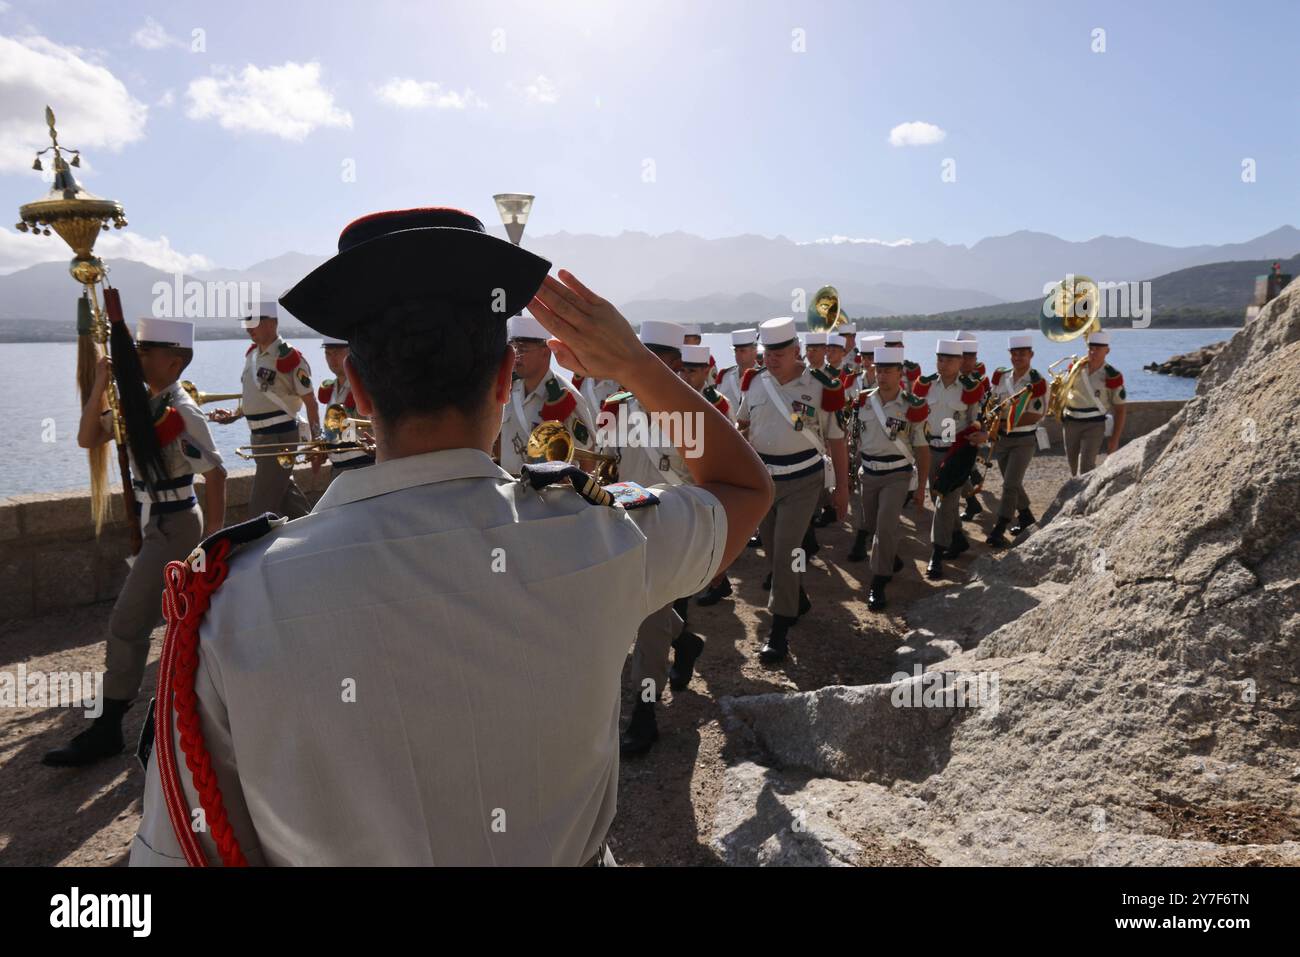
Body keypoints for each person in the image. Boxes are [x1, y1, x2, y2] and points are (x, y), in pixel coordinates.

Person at [130, 206, 772, 867]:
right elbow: (744, 487)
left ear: (355, 389)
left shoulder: (229, 607)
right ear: (501, 379)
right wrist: (633, 363)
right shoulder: (600, 540)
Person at [44, 318, 227, 767]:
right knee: (176, 623)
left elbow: (216, 473)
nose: (138, 359)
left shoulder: (181, 411)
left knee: (129, 621)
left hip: (175, 524)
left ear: (175, 360)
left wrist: (213, 544)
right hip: (155, 522)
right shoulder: (142, 406)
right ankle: (174, 715)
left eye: (146, 352)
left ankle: (108, 729)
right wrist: (102, 383)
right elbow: (88, 436)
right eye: (137, 351)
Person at [604, 322, 704, 755]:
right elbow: (607, 465)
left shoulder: (693, 412)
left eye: (655, 357)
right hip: (622, 523)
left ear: (676, 365)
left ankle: (644, 713)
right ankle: (684, 640)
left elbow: (705, 481)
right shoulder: (614, 405)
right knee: (639, 610)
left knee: (646, 624)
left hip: (669, 530)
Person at [736, 317, 848, 664]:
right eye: (767, 352)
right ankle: (796, 598)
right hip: (765, 480)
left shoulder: (820, 385)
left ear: (796, 350)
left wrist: (842, 489)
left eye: (780, 352)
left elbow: (837, 438)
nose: (772, 358)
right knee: (773, 550)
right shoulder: (754, 382)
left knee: (786, 552)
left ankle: (780, 628)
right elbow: (742, 426)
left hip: (804, 479)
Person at [209, 302, 321, 519]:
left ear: (272, 323)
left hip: (279, 437)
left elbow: (311, 402)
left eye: (254, 323)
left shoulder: (289, 357)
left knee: (261, 509)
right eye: (247, 323)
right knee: (285, 496)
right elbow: (259, 396)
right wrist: (235, 414)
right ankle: (312, 528)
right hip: (259, 436)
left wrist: (316, 442)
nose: (248, 328)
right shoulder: (251, 355)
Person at [852, 347, 930, 610]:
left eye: (888, 371)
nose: (882, 375)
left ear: (900, 373)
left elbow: (921, 447)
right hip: (869, 473)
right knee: (873, 526)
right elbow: (855, 437)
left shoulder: (912, 406)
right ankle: (892, 558)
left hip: (897, 474)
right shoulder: (862, 401)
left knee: (885, 526)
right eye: (878, 370)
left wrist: (921, 488)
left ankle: (879, 581)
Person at [915, 340, 987, 579]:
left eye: (948, 359)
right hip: (930, 449)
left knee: (943, 501)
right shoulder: (925, 385)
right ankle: (957, 539)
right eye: (939, 358)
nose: (942, 364)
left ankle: (936, 554)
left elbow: (977, 420)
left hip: (956, 452)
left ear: (960, 361)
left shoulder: (969, 388)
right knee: (939, 496)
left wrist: (982, 434)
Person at [496, 311, 595, 475]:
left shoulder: (564, 395)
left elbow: (587, 455)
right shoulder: (510, 389)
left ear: (545, 352)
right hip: (512, 486)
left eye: (523, 349)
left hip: (549, 494)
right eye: (514, 349)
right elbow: (500, 440)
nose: (516, 357)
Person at [987, 333, 1048, 548]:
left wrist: (1005, 423)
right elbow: (992, 402)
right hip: (1002, 440)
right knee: (1013, 484)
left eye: (1022, 354)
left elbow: (1036, 414)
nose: (1018, 357)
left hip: (1023, 439)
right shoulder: (1001, 378)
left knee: (1009, 484)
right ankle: (1026, 518)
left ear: (1031, 355)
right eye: (1014, 354)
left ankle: (999, 527)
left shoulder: (1037, 382)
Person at [1062, 330, 1127, 475]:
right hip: (1070, 423)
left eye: (1098, 348)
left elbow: (1120, 409)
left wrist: (1114, 440)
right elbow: (1062, 391)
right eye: (1091, 348)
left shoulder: (1112, 375)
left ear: (1107, 351)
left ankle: (1087, 496)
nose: (1093, 352)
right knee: (1072, 467)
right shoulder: (1075, 368)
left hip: (1095, 424)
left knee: (1086, 467)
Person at [317, 336, 375, 472]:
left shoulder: (365, 384)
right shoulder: (331, 388)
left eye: (336, 352)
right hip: (338, 465)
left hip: (363, 464)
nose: (331, 359)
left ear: (351, 351)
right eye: (328, 353)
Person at [956, 333, 990, 520]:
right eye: (961, 355)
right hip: (949, 431)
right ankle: (972, 503)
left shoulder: (979, 381)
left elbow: (984, 410)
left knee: (955, 470)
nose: (965, 360)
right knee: (955, 470)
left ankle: (972, 503)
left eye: (969, 356)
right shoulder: (951, 378)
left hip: (969, 432)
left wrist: (981, 432)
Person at [717, 327, 758, 419]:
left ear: (754, 351)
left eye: (742, 351)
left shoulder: (763, 377)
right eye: (736, 350)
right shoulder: (725, 376)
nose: (738, 354)